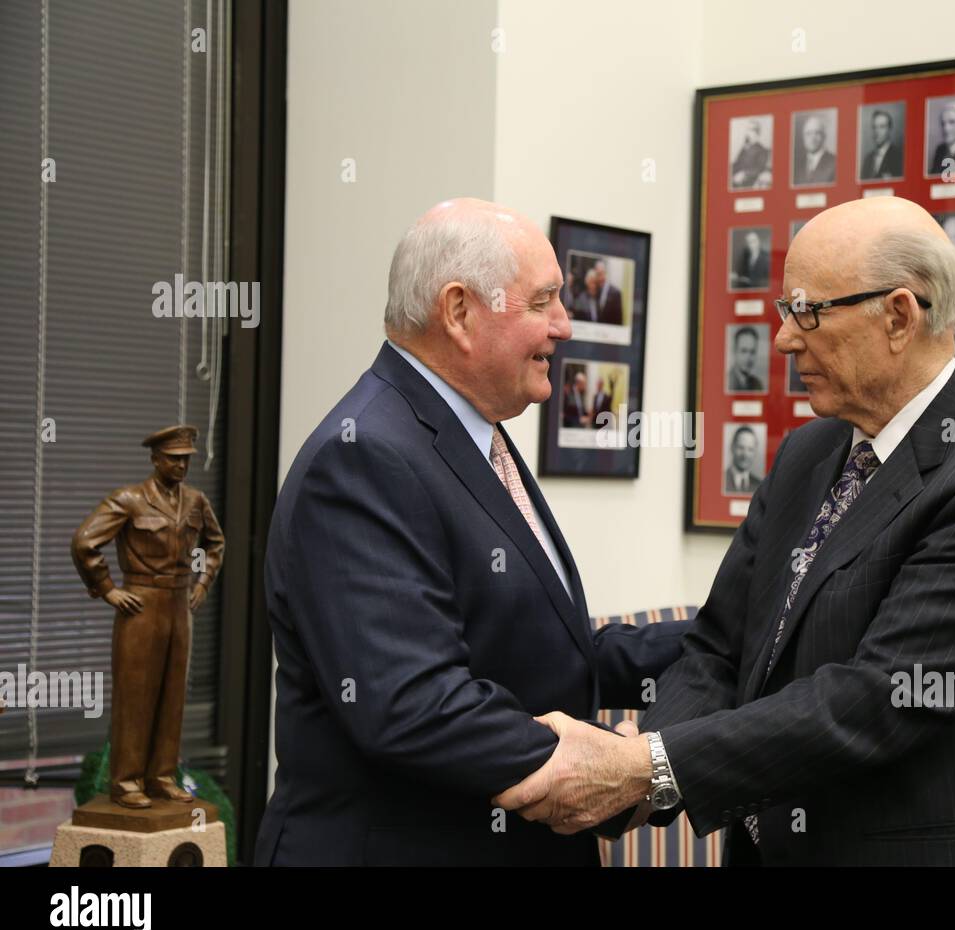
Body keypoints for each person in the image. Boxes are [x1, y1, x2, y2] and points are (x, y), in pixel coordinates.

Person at [494, 196, 955, 866]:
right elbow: (721, 648)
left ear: (898, 316)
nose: (786, 337)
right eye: (784, 312)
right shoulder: (808, 453)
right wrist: (642, 765)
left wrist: (646, 765)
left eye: (808, 311)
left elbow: (874, 701)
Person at [254, 199, 686, 866]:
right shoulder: (363, 457)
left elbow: (541, 652)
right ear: (459, 312)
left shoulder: (474, 438)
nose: (565, 326)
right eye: (543, 302)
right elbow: (412, 703)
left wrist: (735, 633)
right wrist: (616, 772)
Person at [71, 426, 225, 809]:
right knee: (135, 696)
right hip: (140, 604)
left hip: (179, 607)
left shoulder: (195, 501)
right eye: (174, 457)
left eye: (186, 458)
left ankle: (161, 777)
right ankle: (126, 782)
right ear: (155, 459)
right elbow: (85, 542)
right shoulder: (129, 499)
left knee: (172, 696)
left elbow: (215, 543)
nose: (181, 464)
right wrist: (107, 589)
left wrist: (202, 583)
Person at [792, 114, 836, 186]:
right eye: (808, 133)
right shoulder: (796, 165)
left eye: (817, 133)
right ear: (803, 137)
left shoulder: (834, 162)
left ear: (824, 136)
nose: (812, 138)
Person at [860, 109, 903, 179]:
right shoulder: (867, 159)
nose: (877, 131)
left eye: (882, 127)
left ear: (889, 129)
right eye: (874, 127)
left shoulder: (899, 157)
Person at [731, 118, 772, 189]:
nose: (747, 133)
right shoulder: (744, 148)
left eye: (750, 130)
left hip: (749, 181)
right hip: (736, 178)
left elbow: (759, 169)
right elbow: (737, 163)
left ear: (756, 132)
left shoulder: (762, 150)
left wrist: (744, 174)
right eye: (747, 130)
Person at [723, 426, 763, 495]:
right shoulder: (722, 479)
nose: (745, 455)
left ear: (755, 452)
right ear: (732, 448)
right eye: (741, 448)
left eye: (750, 449)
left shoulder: (759, 485)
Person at [727, 326, 765, 392]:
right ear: (735, 351)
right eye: (744, 351)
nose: (748, 357)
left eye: (752, 352)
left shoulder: (758, 385)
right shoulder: (727, 381)